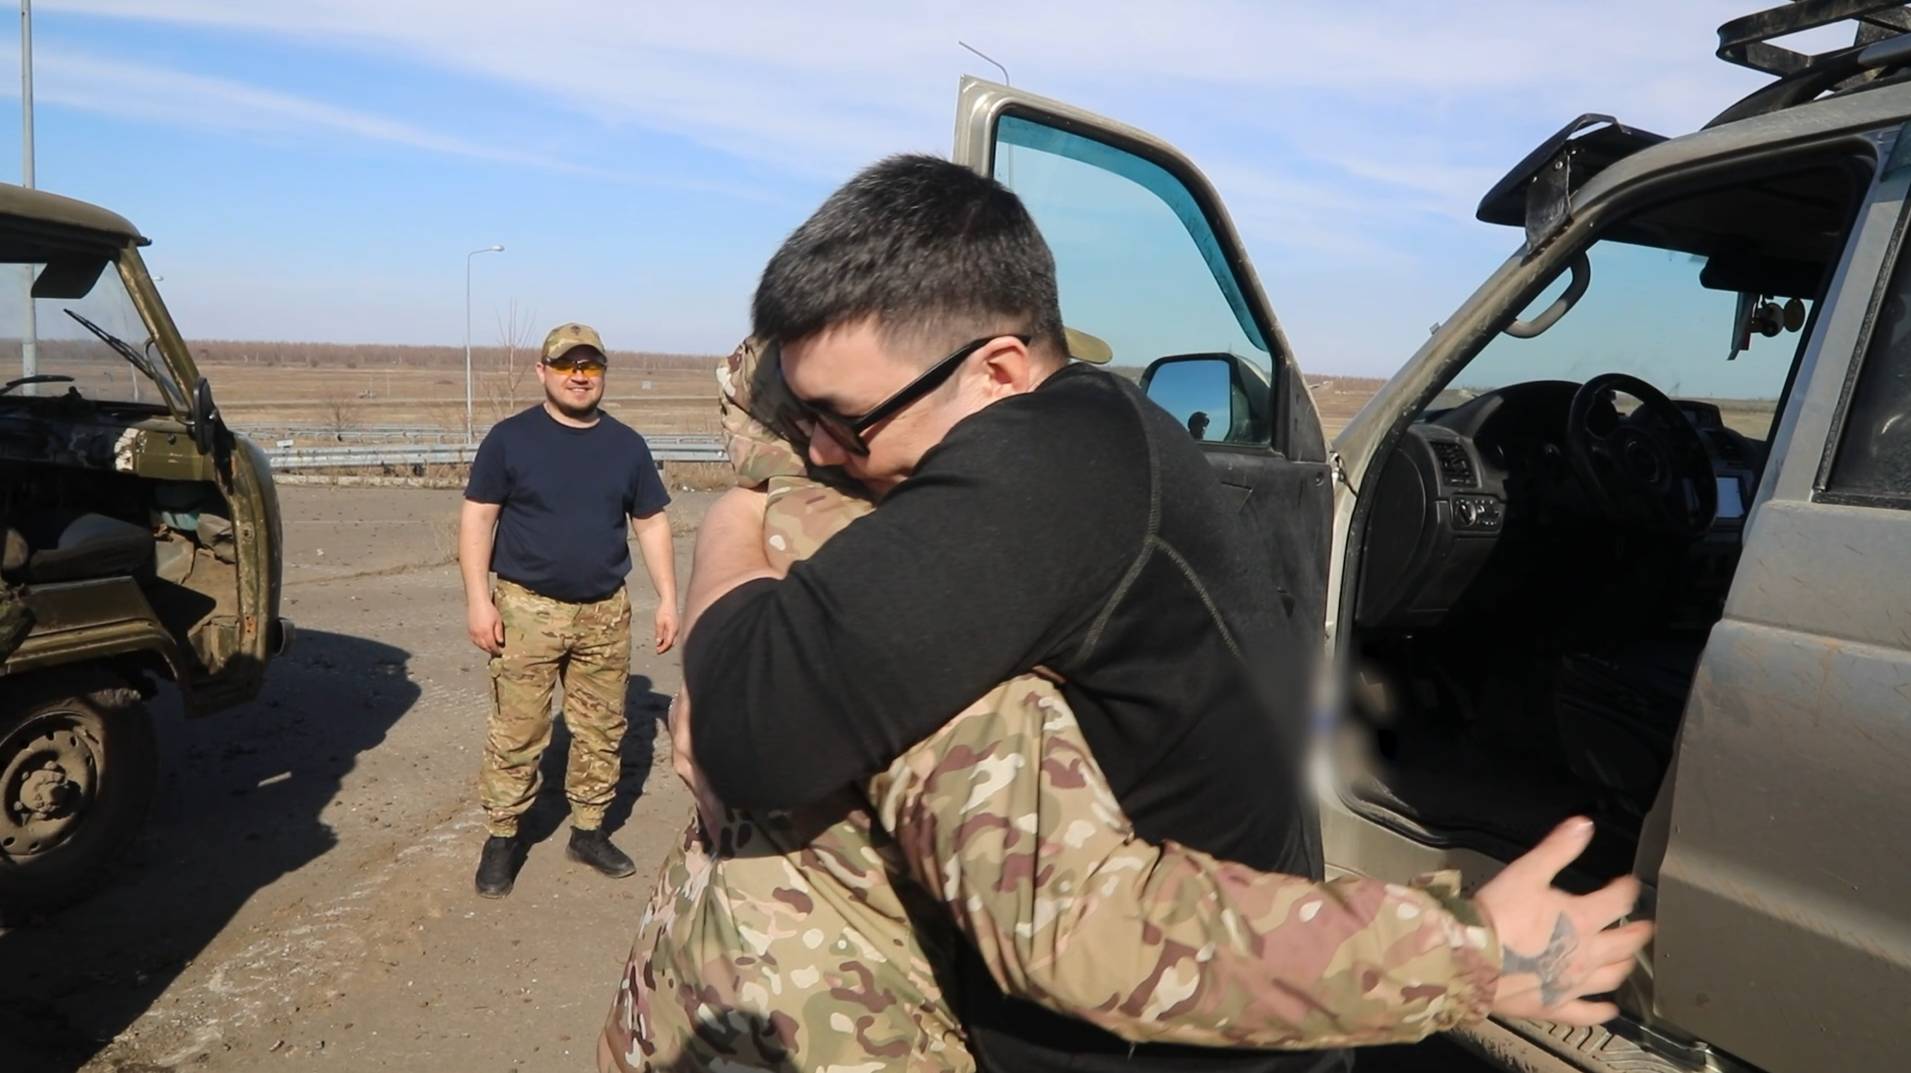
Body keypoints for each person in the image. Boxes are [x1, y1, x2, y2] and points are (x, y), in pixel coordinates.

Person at [667, 156, 1650, 1072]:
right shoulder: (1074, 431)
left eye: (845, 421)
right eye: (802, 424)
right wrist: (760, 504)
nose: (823, 449)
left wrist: (736, 527)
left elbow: (754, 727)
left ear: (999, 373)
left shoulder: (1050, 469)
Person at [600, 337, 1527, 1073]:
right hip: (827, 1033)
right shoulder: (922, 607)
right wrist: (1457, 949)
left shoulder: (777, 513)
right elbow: (1081, 930)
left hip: (676, 998)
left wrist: (736, 511)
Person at [459, 322, 679, 898]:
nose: (580, 377)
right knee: (519, 730)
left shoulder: (626, 445)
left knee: (602, 730)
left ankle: (588, 832)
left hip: (605, 611)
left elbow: (651, 521)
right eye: (567, 366)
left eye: (591, 367)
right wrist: (479, 601)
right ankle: (503, 838)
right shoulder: (509, 440)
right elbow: (478, 518)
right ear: (543, 372)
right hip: (526, 609)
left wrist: (668, 598)